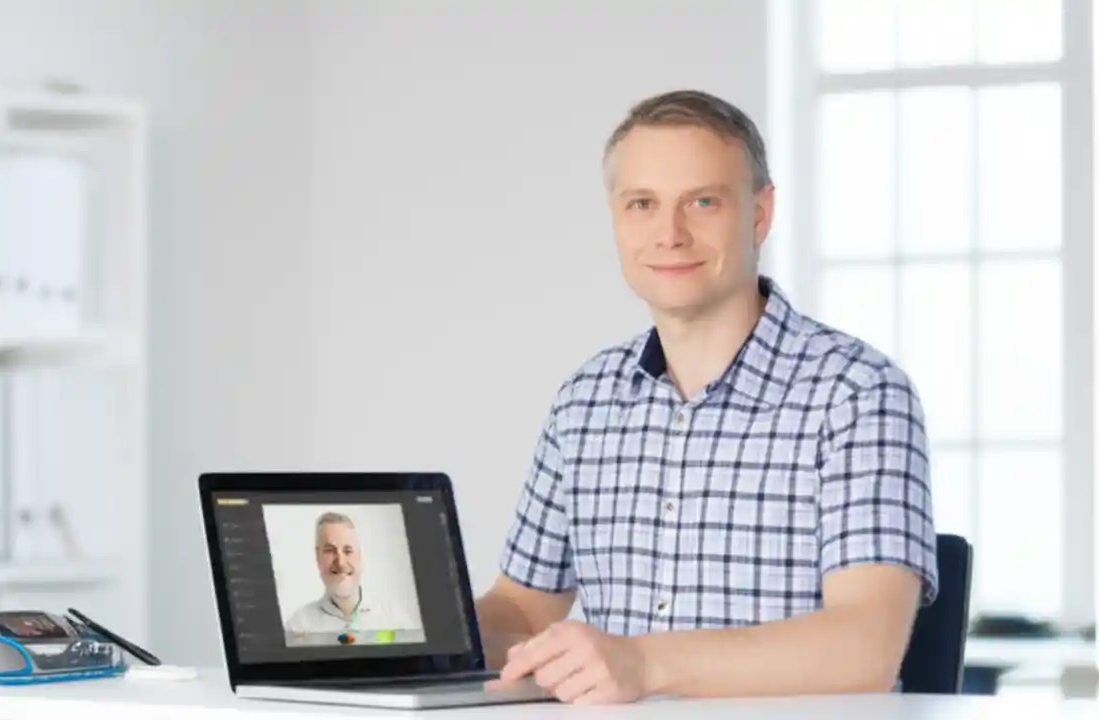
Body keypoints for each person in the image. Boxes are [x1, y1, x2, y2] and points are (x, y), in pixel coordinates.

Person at [478, 89, 937, 704]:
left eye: (702, 201)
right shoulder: (584, 401)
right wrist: (407, 642)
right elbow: (524, 610)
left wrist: (642, 663)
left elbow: (863, 649)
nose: (669, 233)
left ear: (759, 213)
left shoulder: (858, 394)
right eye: (642, 204)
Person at [285, 511, 411, 641]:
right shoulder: (298, 626)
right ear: (318, 557)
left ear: (360, 556)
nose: (340, 562)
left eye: (348, 551)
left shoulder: (393, 620)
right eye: (330, 551)